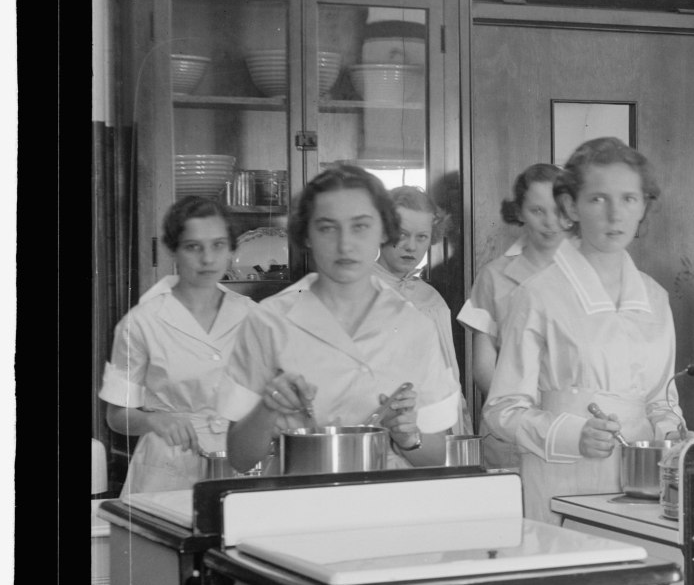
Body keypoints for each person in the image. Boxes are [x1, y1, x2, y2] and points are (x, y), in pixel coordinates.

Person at [484, 137, 687, 523]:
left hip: (641, 487)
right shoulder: (537, 295)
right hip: (563, 482)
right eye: (598, 199)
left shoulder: (655, 298)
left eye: (629, 198)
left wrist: (672, 434)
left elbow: (661, 401)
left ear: (644, 205)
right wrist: (571, 435)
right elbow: (503, 410)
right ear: (570, 206)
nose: (615, 215)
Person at [219, 163, 457, 470]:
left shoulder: (415, 325)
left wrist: (408, 436)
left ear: (384, 231)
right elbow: (240, 457)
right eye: (328, 227)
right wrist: (267, 408)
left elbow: (435, 457)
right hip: (298, 506)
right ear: (306, 235)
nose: (345, 244)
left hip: (387, 505)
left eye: (360, 226)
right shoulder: (269, 320)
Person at [99, 197, 263, 493]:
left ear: (231, 250)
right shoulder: (140, 322)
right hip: (167, 467)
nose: (208, 259)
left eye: (218, 245)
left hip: (238, 461)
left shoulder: (254, 316)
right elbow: (116, 416)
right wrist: (156, 421)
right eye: (193, 246)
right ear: (173, 250)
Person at [459, 162, 568, 468]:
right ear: (519, 212)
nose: (550, 222)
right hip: (509, 430)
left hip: (571, 426)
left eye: (558, 210)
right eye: (537, 210)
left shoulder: (589, 274)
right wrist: (520, 416)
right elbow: (483, 366)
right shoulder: (493, 275)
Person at [378, 184, 468, 433]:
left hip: (432, 425)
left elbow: (449, 376)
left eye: (422, 237)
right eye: (402, 234)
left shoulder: (431, 298)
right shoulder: (360, 292)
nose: (411, 246)